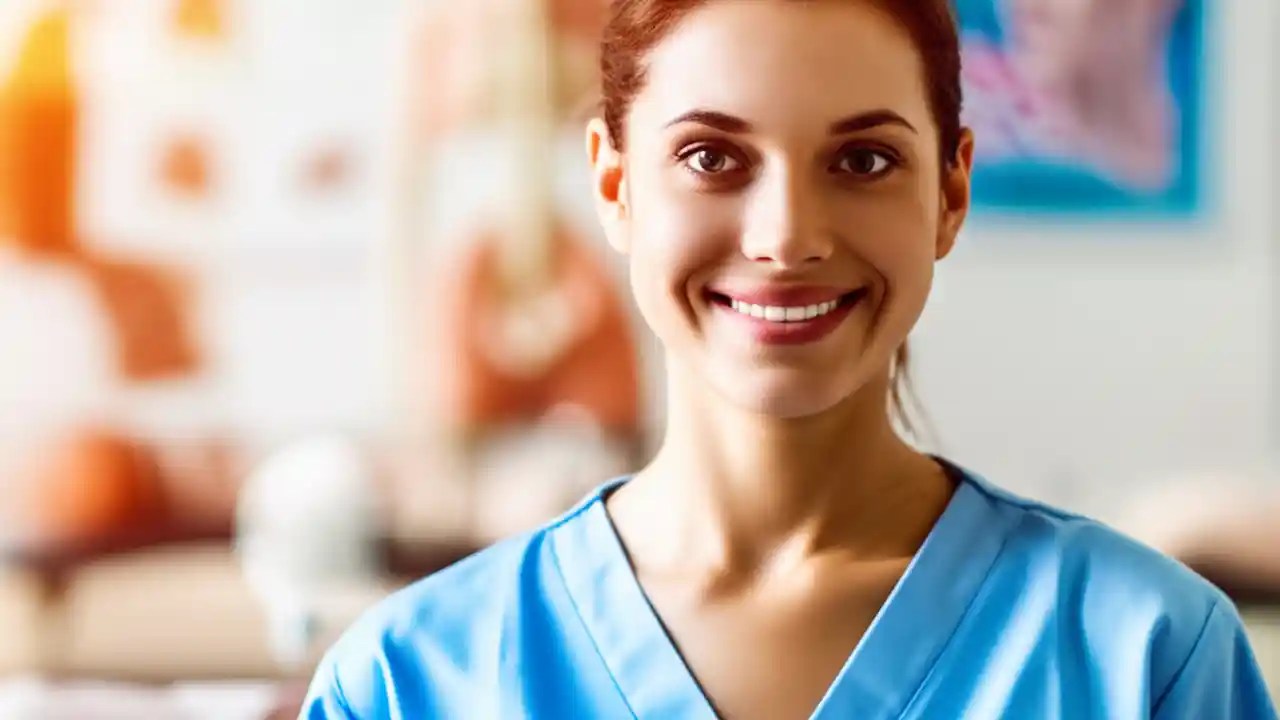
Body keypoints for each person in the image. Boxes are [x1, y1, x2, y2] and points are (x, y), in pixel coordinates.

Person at [301, 0, 1277, 717]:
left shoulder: (1145, 656)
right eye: (710, 159)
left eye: (860, 162)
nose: (785, 236)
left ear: (949, 193)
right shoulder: (409, 678)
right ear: (612, 182)